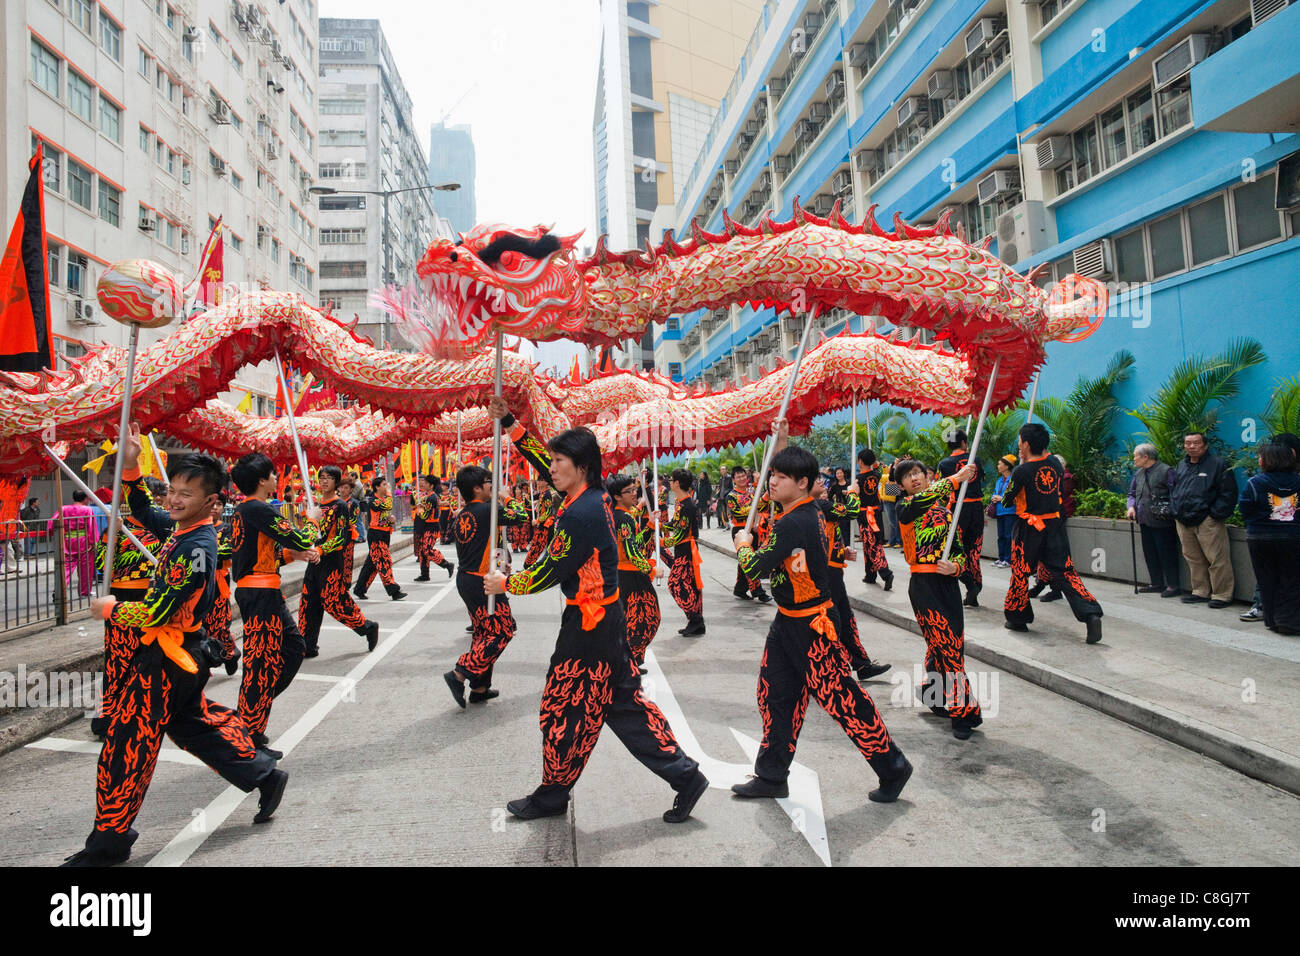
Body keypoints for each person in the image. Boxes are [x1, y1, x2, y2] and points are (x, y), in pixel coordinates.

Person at [65, 430, 285, 867]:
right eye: (175, 491)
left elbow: (158, 612)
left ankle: (109, 843)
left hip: (167, 658)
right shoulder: (183, 529)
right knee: (192, 726)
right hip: (177, 657)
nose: (176, 499)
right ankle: (263, 774)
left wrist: (110, 608)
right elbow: (144, 508)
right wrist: (130, 464)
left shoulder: (198, 547)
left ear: (212, 501)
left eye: (188, 493)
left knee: (127, 744)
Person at [483, 420, 709, 824]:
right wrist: (511, 426)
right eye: (550, 460)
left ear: (581, 466)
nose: (550, 468)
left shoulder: (581, 513)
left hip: (588, 627)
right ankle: (685, 776)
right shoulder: (594, 495)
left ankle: (553, 793)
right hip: (603, 617)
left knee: (562, 706)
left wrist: (505, 583)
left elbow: (547, 571)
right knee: (623, 705)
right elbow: (542, 465)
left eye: (558, 461)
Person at [730, 422, 912, 803]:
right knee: (775, 694)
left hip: (813, 628)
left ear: (803, 483)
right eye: (773, 474)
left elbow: (754, 569)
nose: (772, 481)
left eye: (781, 477)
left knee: (843, 700)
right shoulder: (799, 509)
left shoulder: (796, 519)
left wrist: (743, 544)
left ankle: (892, 766)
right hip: (787, 622)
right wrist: (779, 443)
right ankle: (772, 774)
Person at [229, 452, 322, 756]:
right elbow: (297, 537)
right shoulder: (256, 508)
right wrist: (311, 522)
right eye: (271, 474)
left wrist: (293, 555)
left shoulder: (250, 510)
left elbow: (260, 555)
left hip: (266, 590)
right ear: (261, 480)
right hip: (259, 595)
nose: (275, 478)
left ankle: (253, 711)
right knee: (260, 664)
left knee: (294, 649)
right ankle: (248, 732)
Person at [894, 458, 983, 739]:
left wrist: (955, 567)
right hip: (922, 586)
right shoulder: (905, 507)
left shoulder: (946, 514)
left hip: (947, 585)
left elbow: (959, 550)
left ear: (927, 475)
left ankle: (931, 694)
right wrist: (956, 478)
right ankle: (964, 714)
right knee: (947, 648)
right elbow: (922, 499)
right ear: (902, 485)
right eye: (908, 476)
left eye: (918, 473)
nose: (915, 478)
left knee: (946, 645)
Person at [1002, 424, 1104, 643]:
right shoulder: (1055, 464)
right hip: (1055, 526)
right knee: (1066, 572)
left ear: (1026, 444)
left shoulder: (1021, 471)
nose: (1019, 445)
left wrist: (1018, 476)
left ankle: (1017, 618)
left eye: (1020, 441)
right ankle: (1090, 614)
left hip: (1029, 528)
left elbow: (1007, 499)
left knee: (1021, 573)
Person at [442, 458, 529, 707]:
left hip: (469, 579)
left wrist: (499, 564)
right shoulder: (487, 510)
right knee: (503, 630)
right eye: (489, 483)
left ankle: (480, 687)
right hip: (482, 583)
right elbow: (522, 516)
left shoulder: (463, 514)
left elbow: (482, 546)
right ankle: (460, 673)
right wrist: (507, 498)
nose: (492, 486)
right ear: (478, 488)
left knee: (484, 633)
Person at [90, 487, 163, 739]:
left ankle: (139, 713)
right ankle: (106, 718)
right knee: (118, 660)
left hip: (151, 599)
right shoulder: (118, 528)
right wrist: (112, 533)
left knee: (149, 658)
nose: (163, 505)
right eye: (159, 499)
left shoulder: (165, 529)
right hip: (121, 598)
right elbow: (101, 565)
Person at [814, 476, 891, 681]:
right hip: (827, 574)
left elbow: (829, 538)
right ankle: (832, 667)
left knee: (845, 621)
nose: (823, 485)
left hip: (833, 571)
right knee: (837, 622)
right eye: (817, 482)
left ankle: (860, 663)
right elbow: (852, 511)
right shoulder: (819, 505)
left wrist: (842, 553)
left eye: (823, 483)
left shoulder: (822, 505)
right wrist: (855, 492)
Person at [299, 465, 379, 659]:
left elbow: (341, 538)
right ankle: (308, 645)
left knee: (334, 603)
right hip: (314, 561)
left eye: (328, 478)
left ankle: (367, 627)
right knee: (308, 603)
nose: (324, 481)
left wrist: (320, 549)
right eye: (321, 477)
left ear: (336, 482)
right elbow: (310, 534)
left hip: (332, 562)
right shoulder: (316, 506)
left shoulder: (340, 505)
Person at [1238, 443, 1300, 634]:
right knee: (1292, 579)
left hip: (1260, 538)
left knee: (1266, 580)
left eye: (1261, 457)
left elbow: (1245, 508)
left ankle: (1272, 620)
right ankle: (1289, 621)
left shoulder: (1255, 482)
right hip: (1293, 537)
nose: (1259, 460)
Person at [1170, 431, 1237, 608]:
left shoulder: (1218, 464)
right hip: (1183, 520)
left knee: (1217, 558)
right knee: (1193, 558)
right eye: (1188, 443)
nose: (1191, 446)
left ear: (1205, 445)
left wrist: (1214, 515)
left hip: (1207, 520)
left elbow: (1228, 493)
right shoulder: (1181, 465)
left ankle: (1222, 594)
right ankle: (1200, 591)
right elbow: (1175, 489)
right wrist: (1175, 510)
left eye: (1196, 443)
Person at [608, 473, 660, 672]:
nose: (634, 493)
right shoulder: (624, 518)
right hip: (631, 575)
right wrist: (651, 569)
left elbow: (634, 545)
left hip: (622, 574)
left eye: (634, 489)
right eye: (628, 491)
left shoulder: (619, 515)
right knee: (647, 618)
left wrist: (649, 527)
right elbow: (631, 553)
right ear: (617, 496)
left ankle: (629, 660)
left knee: (632, 618)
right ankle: (630, 661)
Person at [937, 429, 986, 607]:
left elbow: (942, 488)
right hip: (976, 509)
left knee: (955, 549)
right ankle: (975, 585)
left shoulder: (945, 463)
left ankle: (969, 583)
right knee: (974, 549)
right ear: (964, 443)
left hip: (958, 509)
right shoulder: (976, 460)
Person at [1126, 443, 1180, 597]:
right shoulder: (1139, 474)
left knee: (1166, 553)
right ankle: (1156, 582)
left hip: (1162, 520)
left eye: (1136, 456)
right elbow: (1132, 493)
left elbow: (1175, 494)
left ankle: (1173, 585)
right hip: (1144, 519)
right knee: (1150, 552)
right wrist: (1131, 507)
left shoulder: (1166, 471)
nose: (1134, 459)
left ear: (1145, 457)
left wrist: (1171, 510)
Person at [201, 492, 241, 675]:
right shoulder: (197, 528)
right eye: (212, 503)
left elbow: (229, 550)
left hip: (218, 583)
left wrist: (209, 554)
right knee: (200, 626)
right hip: (198, 581)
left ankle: (231, 652)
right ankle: (204, 664)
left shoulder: (226, 528)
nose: (215, 507)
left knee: (219, 625)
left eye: (219, 504)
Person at [661, 469, 706, 636]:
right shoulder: (682, 503)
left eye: (671, 480)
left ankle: (695, 618)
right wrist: (659, 525)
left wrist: (663, 542)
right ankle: (695, 621)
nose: (670, 482)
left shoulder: (687, 505)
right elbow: (675, 524)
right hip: (683, 549)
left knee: (675, 584)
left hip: (686, 550)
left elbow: (680, 534)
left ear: (677, 483)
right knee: (690, 585)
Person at [354, 476, 407, 601]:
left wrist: (391, 520)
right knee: (384, 561)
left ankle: (359, 589)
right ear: (377, 487)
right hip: (376, 535)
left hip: (384, 533)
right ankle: (393, 590)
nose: (386, 486)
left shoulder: (381, 499)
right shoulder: (374, 500)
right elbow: (388, 505)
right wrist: (389, 492)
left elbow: (385, 515)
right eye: (384, 484)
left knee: (372, 564)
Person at [724, 465, 771, 603]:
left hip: (753, 530)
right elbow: (740, 512)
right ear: (733, 479)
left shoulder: (752, 493)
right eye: (738, 476)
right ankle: (758, 591)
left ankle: (740, 588)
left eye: (743, 475)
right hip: (740, 531)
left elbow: (762, 507)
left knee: (745, 560)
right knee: (751, 561)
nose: (742, 478)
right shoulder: (731, 496)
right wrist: (757, 501)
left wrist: (765, 497)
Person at [856, 448, 893, 589]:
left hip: (866, 515)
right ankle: (870, 575)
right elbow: (880, 470)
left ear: (860, 461)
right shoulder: (876, 475)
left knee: (872, 544)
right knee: (869, 544)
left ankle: (886, 573)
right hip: (876, 512)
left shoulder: (858, 480)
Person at [51, 491, 98, 598]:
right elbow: (91, 527)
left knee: (65, 568)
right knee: (86, 568)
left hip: (67, 541)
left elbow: (52, 523)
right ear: (85, 499)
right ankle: (84, 592)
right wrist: (93, 542)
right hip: (83, 542)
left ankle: (58, 590)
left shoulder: (63, 509)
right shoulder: (87, 510)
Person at [413, 473, 455, 581]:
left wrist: (419, 512)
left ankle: (447, 564)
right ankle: (425, 574)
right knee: (423, 551)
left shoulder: (431, 497)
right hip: (427, 526)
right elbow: (429, 510)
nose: (423, 484)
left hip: (431, 526)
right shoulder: (430, 496)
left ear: (431, 485)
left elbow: (426, 515)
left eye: (426, 483)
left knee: (427, 550)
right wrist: (422, 508)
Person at [991, 454, 1018, 568]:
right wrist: (993, 497)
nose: (998, 465)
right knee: (1000, 536)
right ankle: (1001, 558)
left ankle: (1008, 559)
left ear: (1007, 466)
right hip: (999, 511)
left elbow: (1016, 496)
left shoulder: (1014, 480)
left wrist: (1002, 498)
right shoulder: (999, 480)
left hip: (1010, 511)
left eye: (1000, 463)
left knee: (1008, 536)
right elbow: (995, 492)